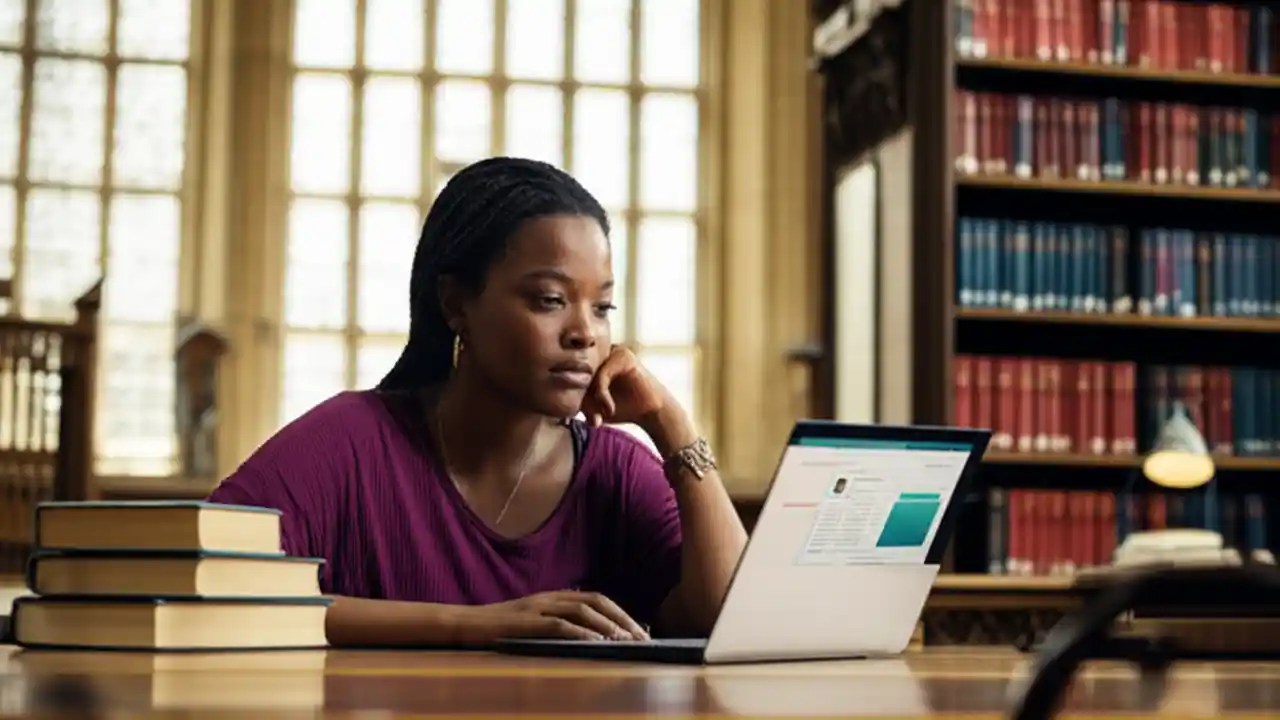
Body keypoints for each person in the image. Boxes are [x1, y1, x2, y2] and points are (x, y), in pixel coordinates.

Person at [206, 157, 748, 648]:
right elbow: (209, 581)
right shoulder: (351, 441)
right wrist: (475, 623)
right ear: (456, 305)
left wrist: (670, 423)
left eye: (602, 307)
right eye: (550, 300)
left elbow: (726, 621)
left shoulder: (617, 472)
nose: (585, 333)